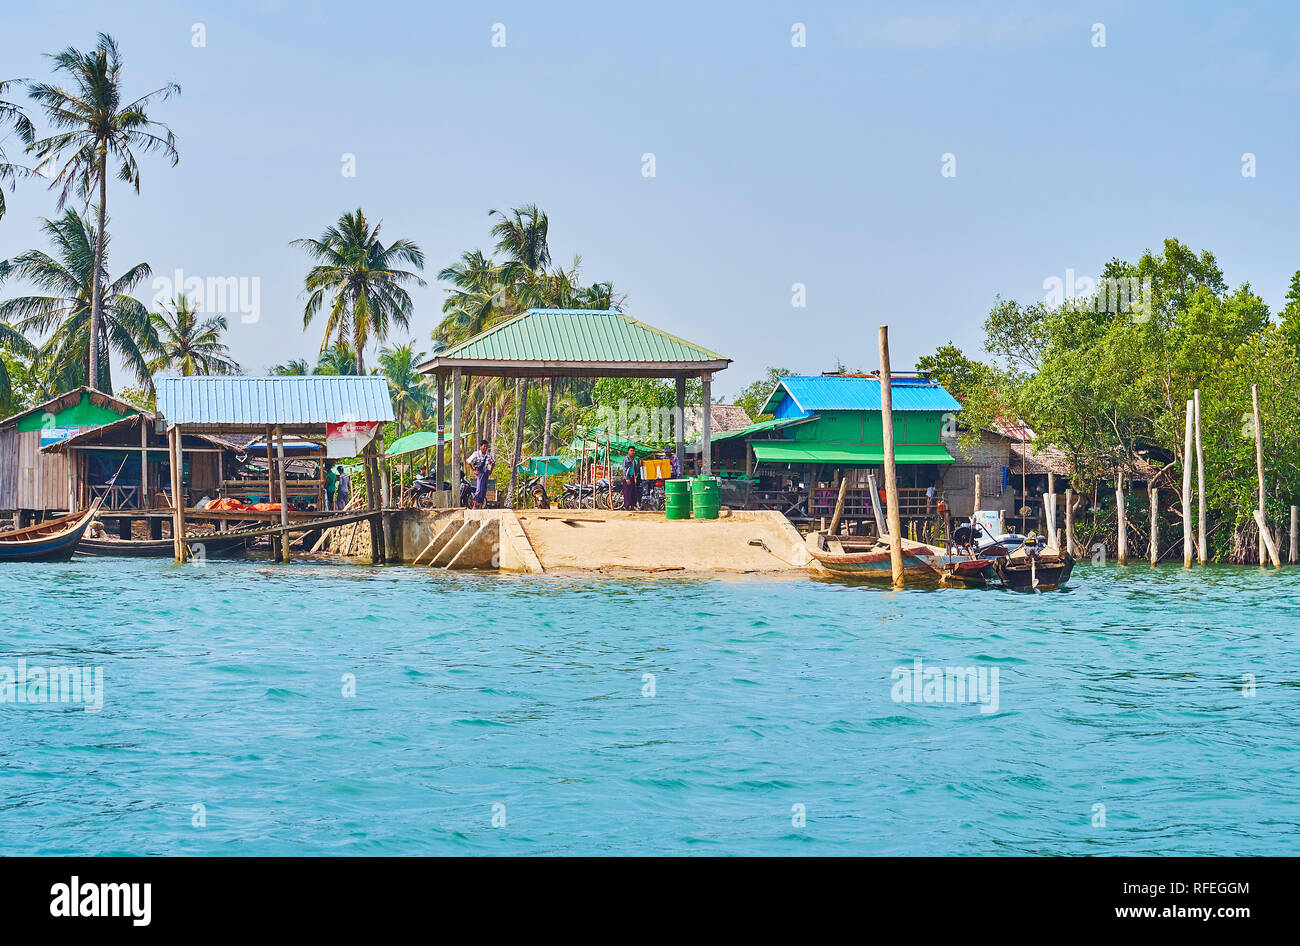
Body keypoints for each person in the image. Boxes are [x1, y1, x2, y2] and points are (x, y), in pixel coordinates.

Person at [467, 439, 494, 509]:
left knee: (484, 489)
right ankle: (474, 505)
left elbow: (493, 462)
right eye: (484, 446)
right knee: (479, 489)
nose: (485, 448)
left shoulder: (488, 454)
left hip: (486, 472)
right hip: (479, 473)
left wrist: (491, 470)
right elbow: (468, 462)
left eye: (486, 447)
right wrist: (473, 470)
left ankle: (481, 506)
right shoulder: (476, 454)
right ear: (481, 446)